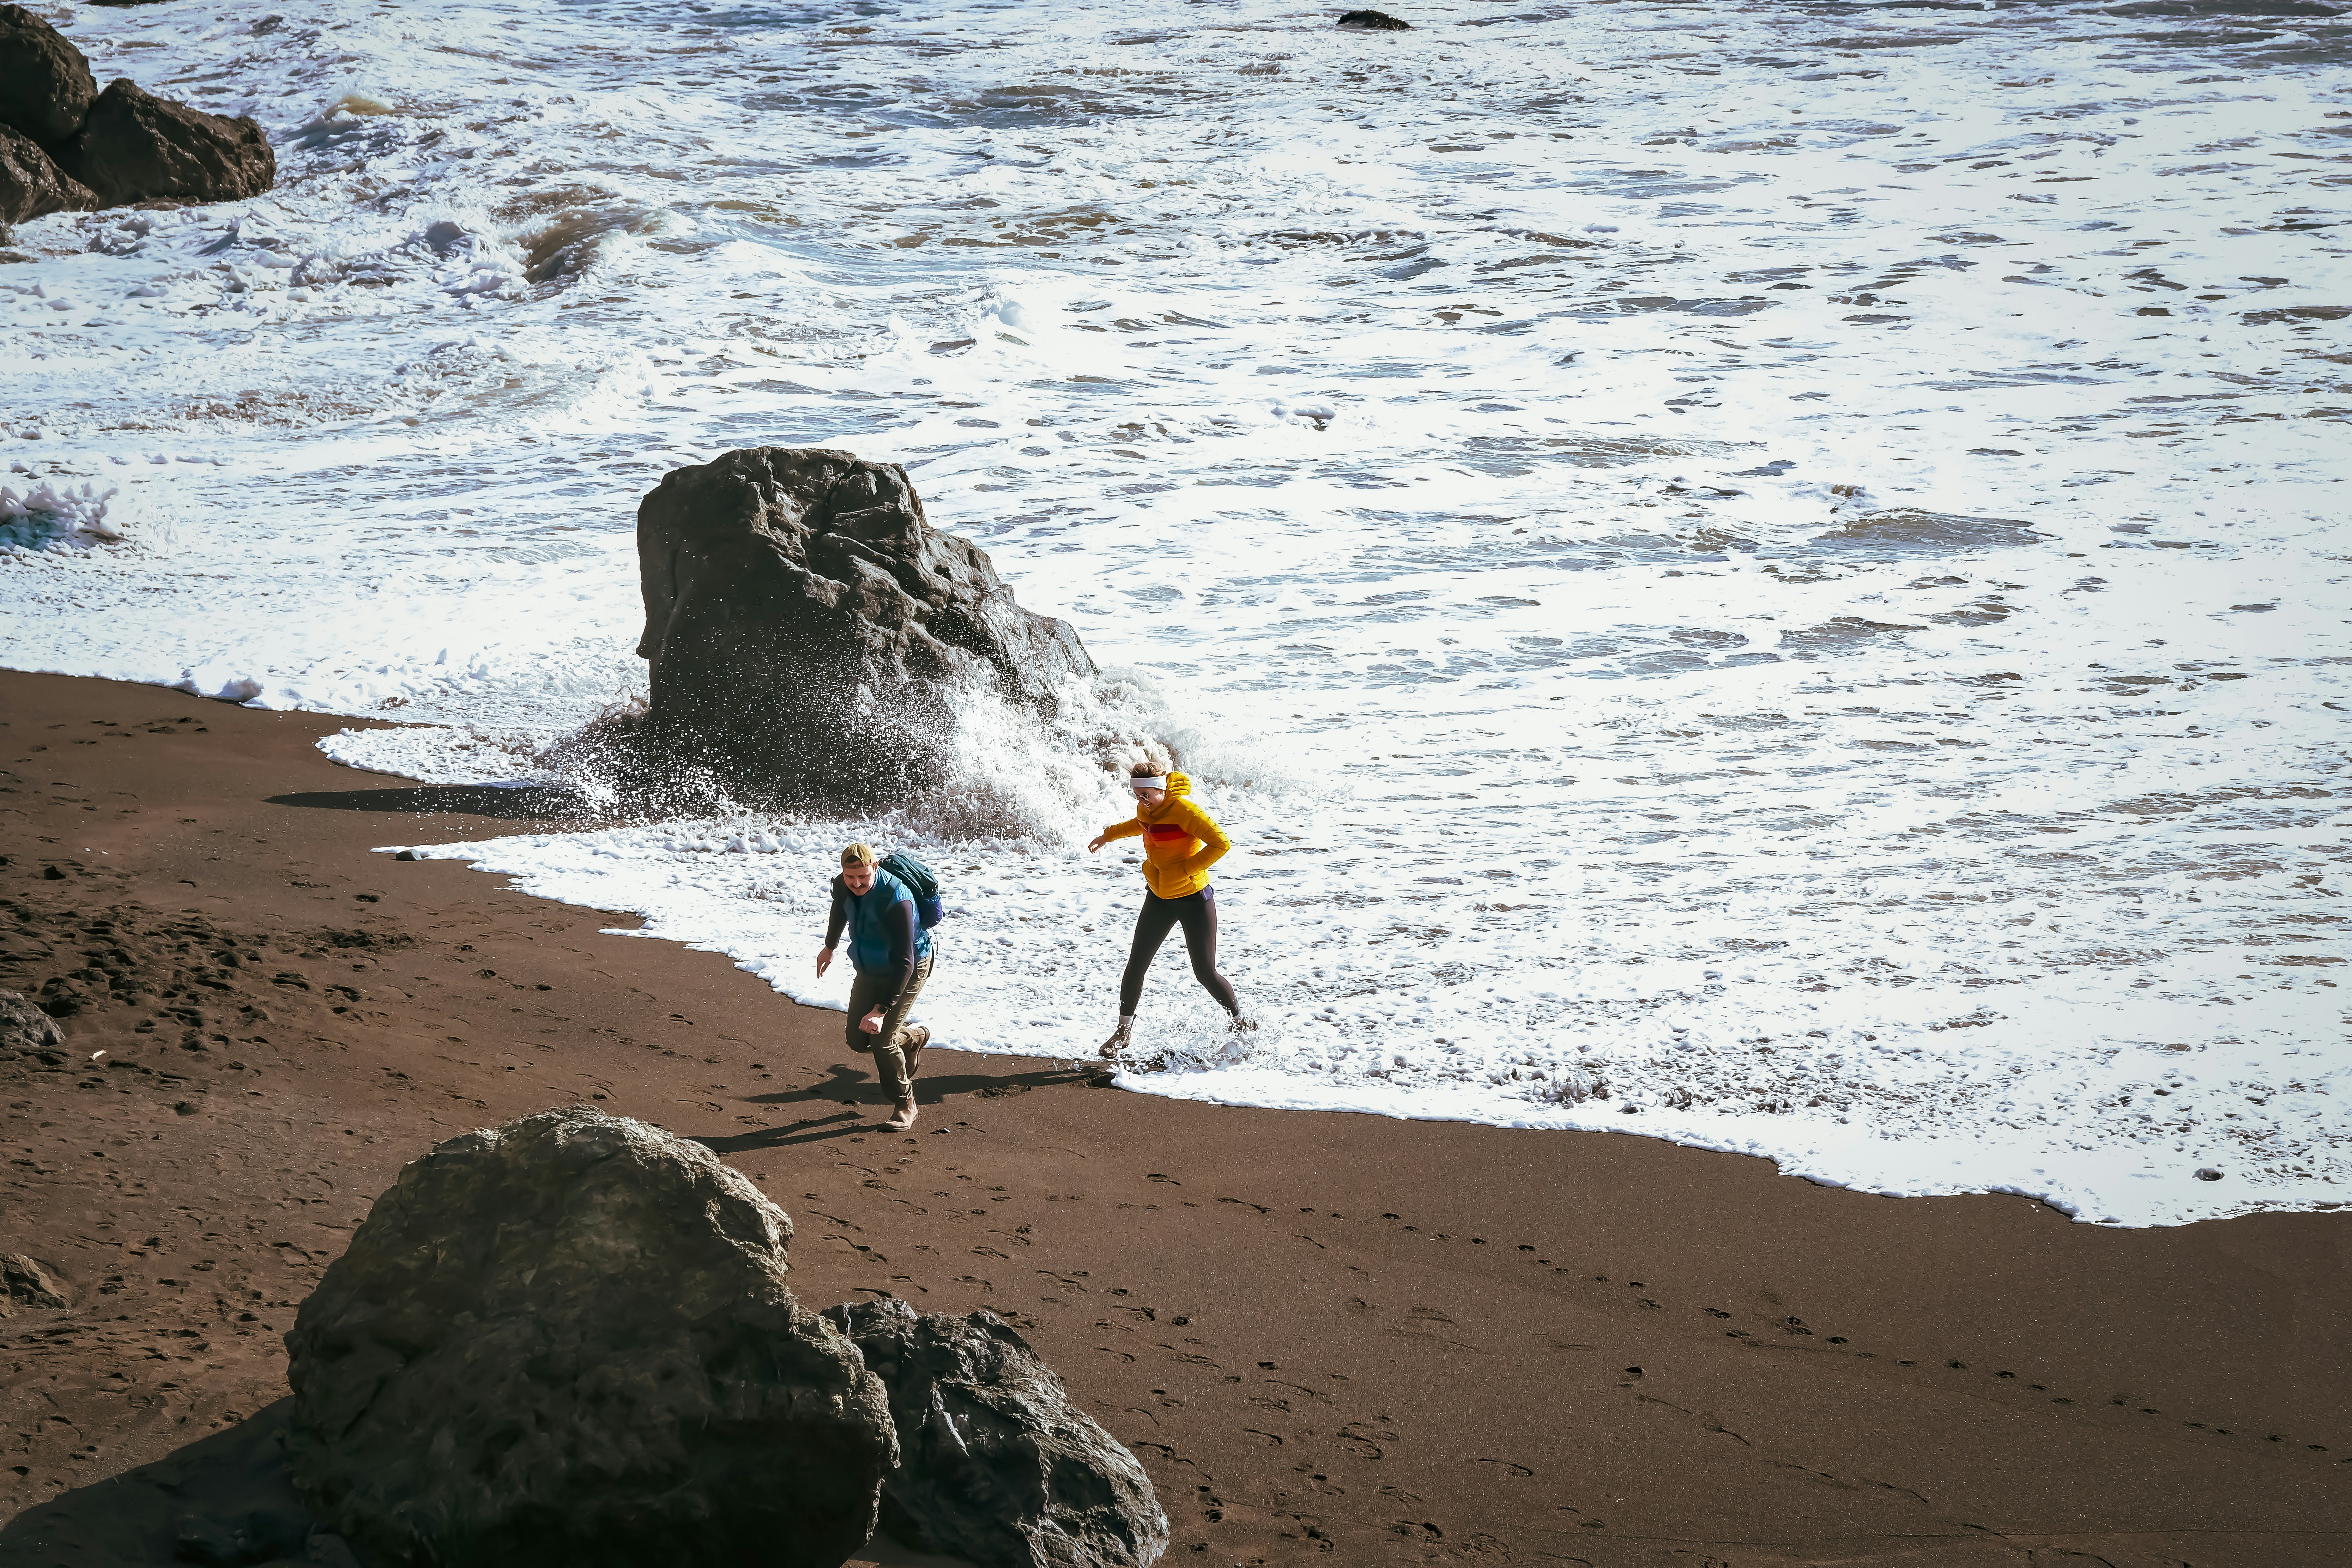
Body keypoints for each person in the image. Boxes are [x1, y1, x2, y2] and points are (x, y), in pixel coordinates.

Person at [1086, 759, 1247, 1056]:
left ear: (1161, 790)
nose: (1142, 801)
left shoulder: (1185, 812)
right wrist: (1108, 835)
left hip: (1194, 899)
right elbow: (1140, 825)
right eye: (1137, 795)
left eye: (1147, 795)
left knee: (1205, 972)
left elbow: (1220, 843)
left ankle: (1240, 1022)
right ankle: (1123, 1032)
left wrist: (1186, 869)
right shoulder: (1145, 809)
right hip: (1159, 897)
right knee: (1136, 964)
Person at [816, 842, 933, 1130]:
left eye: (863, 877)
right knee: (857, 1040)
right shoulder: (843, 886)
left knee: (881, 1041)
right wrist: (829, 947)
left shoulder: (897, 898)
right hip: (870, 968)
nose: (856, 884)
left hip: (907, 968)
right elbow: (839, 910)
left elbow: (906, 962)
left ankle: (906, 1104)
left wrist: (881, 1010)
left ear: (875, 869)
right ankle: (913, 1037)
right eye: (850, 877)